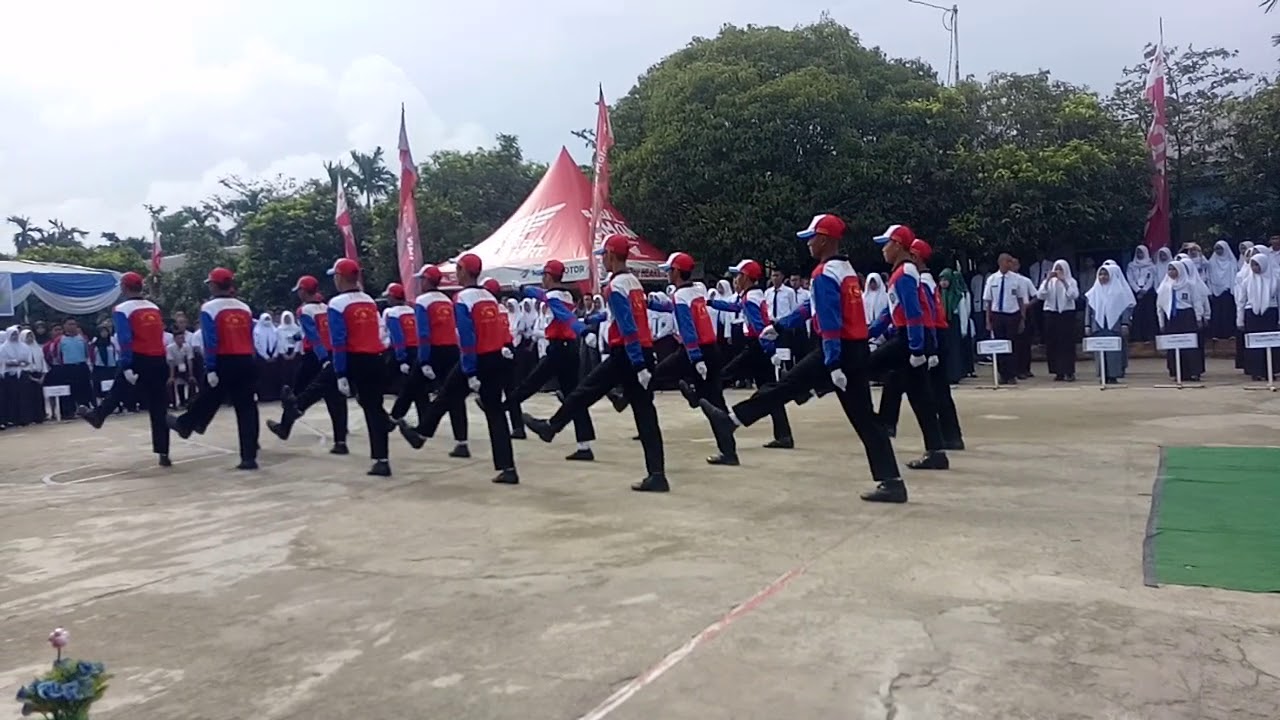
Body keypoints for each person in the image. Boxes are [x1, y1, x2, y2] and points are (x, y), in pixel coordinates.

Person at [699, 214, 906, 502]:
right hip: (852, 348)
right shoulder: (845, 269)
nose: (808, 243)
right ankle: (891, 480)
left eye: (812, 237)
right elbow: (812, 307)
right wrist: (780, 325)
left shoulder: (824, 274)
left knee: (787, 386)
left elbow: (831, 321)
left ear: (824, 239)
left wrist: (833, 362)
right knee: (861, 416)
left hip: (838, 350)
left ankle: (732, 419)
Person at [523, 234, 669, 492]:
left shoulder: (615, 287)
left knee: (584, 391)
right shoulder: (633, 282)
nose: (602, 261)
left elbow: (628, 326)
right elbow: (626, 319)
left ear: (611, 256)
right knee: (645, 415)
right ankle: (657, 474)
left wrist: (636, 363)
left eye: (603, 256)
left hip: (626, 353)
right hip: (639, 351)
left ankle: (551, 427)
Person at [415, 253, 519, 484]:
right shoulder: (489, 298)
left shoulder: (463, 299)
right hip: (494, 358)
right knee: (495, 413)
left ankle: (421, 434)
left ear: (463, 271)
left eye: (458, 269)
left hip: (476, 359)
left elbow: (467, 336)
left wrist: (470, 369)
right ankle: (508, 467)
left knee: (445, 397)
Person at [866, 226, 949, 469]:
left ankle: (813, 386)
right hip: (910, 336)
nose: (883, 249)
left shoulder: (904, 274)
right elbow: (892, 313)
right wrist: (869, 332)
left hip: (908, 337)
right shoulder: (900, 273)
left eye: (886, 244)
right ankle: (936, 452)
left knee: (865, 364)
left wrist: (916, 348)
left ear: (899, 245)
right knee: (920, 397)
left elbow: (914, 313)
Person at [326, 258, 418, 476]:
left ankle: (380, 456)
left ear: (340, 277)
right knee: (373, 407)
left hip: (354, 359)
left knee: (369, 407)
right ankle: (382, 456)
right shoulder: (368, 301)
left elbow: (338, 340)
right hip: (375, 357)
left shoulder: (337, 304)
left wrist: (340, 372)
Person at [166, 267, 260, 470]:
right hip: (246, 359)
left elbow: (211, 341)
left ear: (215, 285)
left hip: (225, 360)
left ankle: (187, 424)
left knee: (208, 395)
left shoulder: (209, 308)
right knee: (246, 409)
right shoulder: (245, 308)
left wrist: (211, 367)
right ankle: (249, 456)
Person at [702, 258, 793, 464]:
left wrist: (770, 351)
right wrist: (710, 302)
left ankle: (706, 398)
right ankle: (784, 435)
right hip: (759, 346)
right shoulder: (751, 296)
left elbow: (761, 328)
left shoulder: (750, 299)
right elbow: (734, 308)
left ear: (745, 278)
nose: (734, 280)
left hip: (756, 346)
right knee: (770, 392)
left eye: (737, 276)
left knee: (726, 374)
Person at [510, 259, 596, 461]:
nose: (542, 280)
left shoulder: (554, 298)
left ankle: (504, 408)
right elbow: (539, 294)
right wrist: (523, 288)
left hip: (559, 349)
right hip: (569, 349)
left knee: (530, 384)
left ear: (548, 276)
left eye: (543, 276)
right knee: (573, 397)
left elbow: (565, 316)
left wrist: (583, 332)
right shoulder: (565, 294)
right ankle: (584, 446)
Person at [82, 272, 172, 464]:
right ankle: (164, 452)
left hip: (139, 358)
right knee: (159, 407)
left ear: (124, 288)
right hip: (159, 358)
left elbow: (125, 339)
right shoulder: (154, 308)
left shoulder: (122, 309)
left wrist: (127, 364)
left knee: (117, 391)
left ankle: (98, 416)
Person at [267, 275, 351, 455]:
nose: (298, 294)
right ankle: (340, 440)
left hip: (315, 356)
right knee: (335, 397)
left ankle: (284, 427)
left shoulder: (304, 311)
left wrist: (322, 359)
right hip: (332, 352)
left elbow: (313, 337)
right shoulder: (326, 307)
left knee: (296, 393)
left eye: (299, 291)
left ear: (304, 291)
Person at [399, 264, 471, 458]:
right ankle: (462, 441)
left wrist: (424, 360)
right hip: (451, 350)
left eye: (421, 279)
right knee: (455, 396)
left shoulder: (423, 301)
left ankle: (394, 419)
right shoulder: (446, 300)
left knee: (411, 386)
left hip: (433, 351)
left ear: (426, 281)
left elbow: (423, 332)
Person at [642, 252, 725, 413]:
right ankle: (723, 423)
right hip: (711, 346)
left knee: (658, 373)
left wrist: (695, 357)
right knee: (714, 396)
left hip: (694, 348)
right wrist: (650, 304)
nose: (667, 274)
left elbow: (687, 327)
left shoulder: (680, 295)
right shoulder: (698, 289)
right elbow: (672, 308)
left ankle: (626, 398)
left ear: (676, 272)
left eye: (669, 270)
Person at [483, 278, 526, 439]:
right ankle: (518, 427)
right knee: (510, 390)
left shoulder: (493, 309)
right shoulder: (501, 309)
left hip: (499, 349)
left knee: (499, 391)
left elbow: (498, 330)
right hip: (507, 348)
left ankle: (509, 427)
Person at [381, 282, 428, 429]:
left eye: (389, 296)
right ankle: (423, 420)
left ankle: (391, 418)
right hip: (417, 351)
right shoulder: (412, 311)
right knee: (418, 388)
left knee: (382, 383)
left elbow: (397, 336)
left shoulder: (391, 313)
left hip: (401, 352)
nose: (387, 299)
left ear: (393, 298)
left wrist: (401, 358)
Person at [1085, 261, 1135, 384]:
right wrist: (1087, 325)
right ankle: (1102, 374)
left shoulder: (1119, 292)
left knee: (1113, 353)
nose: (1103, 277)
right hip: (1098, 326)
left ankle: (1113, 375)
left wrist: (1124, 323)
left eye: (1105, 274)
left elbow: (1124, 309)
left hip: (1113, 326)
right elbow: (1089, 310)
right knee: (1099, 352)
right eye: (1100, 274)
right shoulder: (1093, 292)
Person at [1156, 259, 1207, 381]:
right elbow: (1159, 306)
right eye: (1169, 269)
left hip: (1187, 316)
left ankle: (1193, 372)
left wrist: (1199, 317)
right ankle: (1176, 371)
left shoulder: (1190, 284)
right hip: (1172, 317)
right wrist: (1161, 322)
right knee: (1173, 345)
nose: (1171, 272)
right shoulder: (1164, 286)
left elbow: (1196, 301)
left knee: (1189, 345)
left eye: (1174, 269)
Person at [982, 253, 1029, 384]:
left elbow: (1021, 300)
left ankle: (1012, 374)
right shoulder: (992, 279)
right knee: (999, 345)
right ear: (1001, 263)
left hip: (1012, 314)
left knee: (1012, 345)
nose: (1010, 264)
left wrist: (1022, 318)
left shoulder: (1016, 279)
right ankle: (1003, 373)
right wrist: (988, 320)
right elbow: (988, 302)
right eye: (1008, 262)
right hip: (997, 315)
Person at [1236, 251, 1279, 381]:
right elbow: (1241, 301)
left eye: (1257, 265)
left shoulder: (1275, 280)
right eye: (1253, 265)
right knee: (1254, 344)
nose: (1255, 268)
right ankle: (1255, 371)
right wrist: (1240, 320)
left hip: (1270, 313)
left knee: (1270, 342)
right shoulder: (1247, 281)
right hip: (1252, 314)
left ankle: (1269, 371)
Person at [1036, 259, 1080, 381]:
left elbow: (1073, 295)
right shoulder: (1049, 282)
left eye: (1061, 269)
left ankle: (1069, 371)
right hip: (1051, 314)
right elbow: (1040, 295)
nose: (1058, 271)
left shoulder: (1071, 281)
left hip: (1066, 314)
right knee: (1053, 343)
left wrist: (1064, 281)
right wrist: (1047, 280)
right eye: (1057, 268)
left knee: (1066, 344)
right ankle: (1057, 371)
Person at [937, 268, 973, 383]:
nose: (943, 282)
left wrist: (963, 329)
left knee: (954, 351)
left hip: (954, 324)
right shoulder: (938, 295)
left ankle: (954, 375)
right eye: (941, 280)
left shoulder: (958, 296)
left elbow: (963, 313)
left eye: (946, 280)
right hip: (943, 324)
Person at [1206, 240, 1239, 341]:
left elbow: (1234, 276)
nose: (1218, 251)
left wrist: (1233, 290)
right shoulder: (1211, 261)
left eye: (1220, 248)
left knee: (1228, 312)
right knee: (1216, 313)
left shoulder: (1231, 262)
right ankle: (1216, 334)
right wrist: (1210, 290)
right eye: (1216, 248)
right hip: (1215, 290)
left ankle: (1229, 333)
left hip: (1228, 290)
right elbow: (1208, 277)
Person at [1126, 246, 1158, 342]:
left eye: (1141, 253)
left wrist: (1144, 290)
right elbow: (1130, 278)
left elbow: (1151, 278)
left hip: (1148, 293)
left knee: (1149, 314)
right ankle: (1137, 337)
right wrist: (1137, 290)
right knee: (1136, 315)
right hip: (1135, 293)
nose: (1140, 255)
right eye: (1138, 253)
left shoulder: (1151, 266)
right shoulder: (1131, 265)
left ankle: (1149, 336)